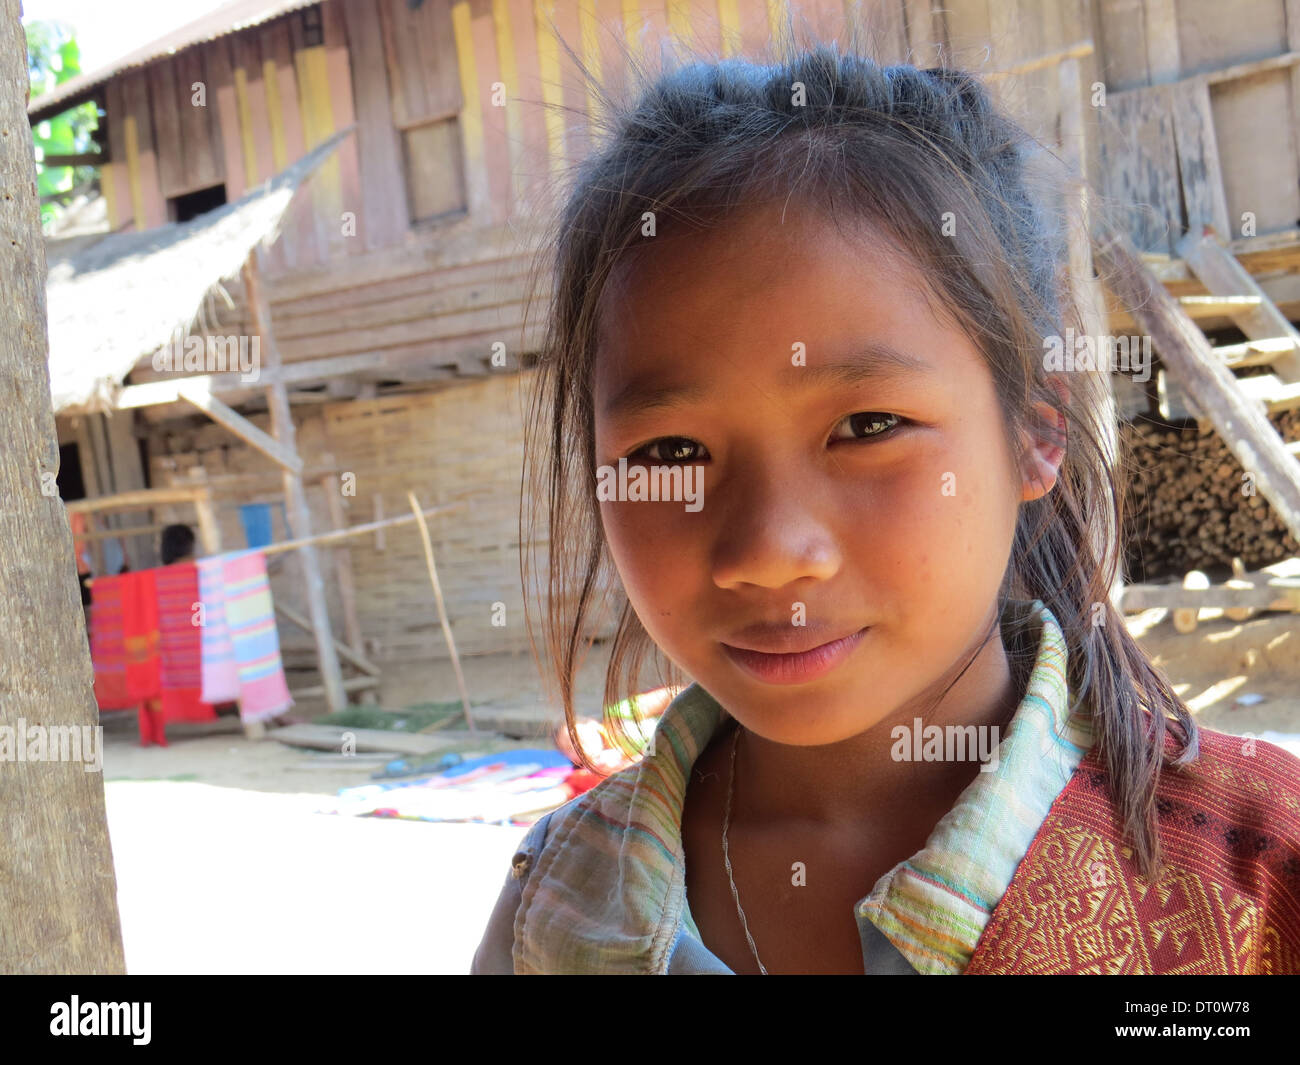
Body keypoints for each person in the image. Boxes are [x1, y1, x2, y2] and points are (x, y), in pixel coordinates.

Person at [472, 40, 1300, 975]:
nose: (772, 551)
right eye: (670, 452)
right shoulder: (554, 910)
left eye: (868, 425)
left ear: (1035, 432)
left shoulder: (1262, 878)